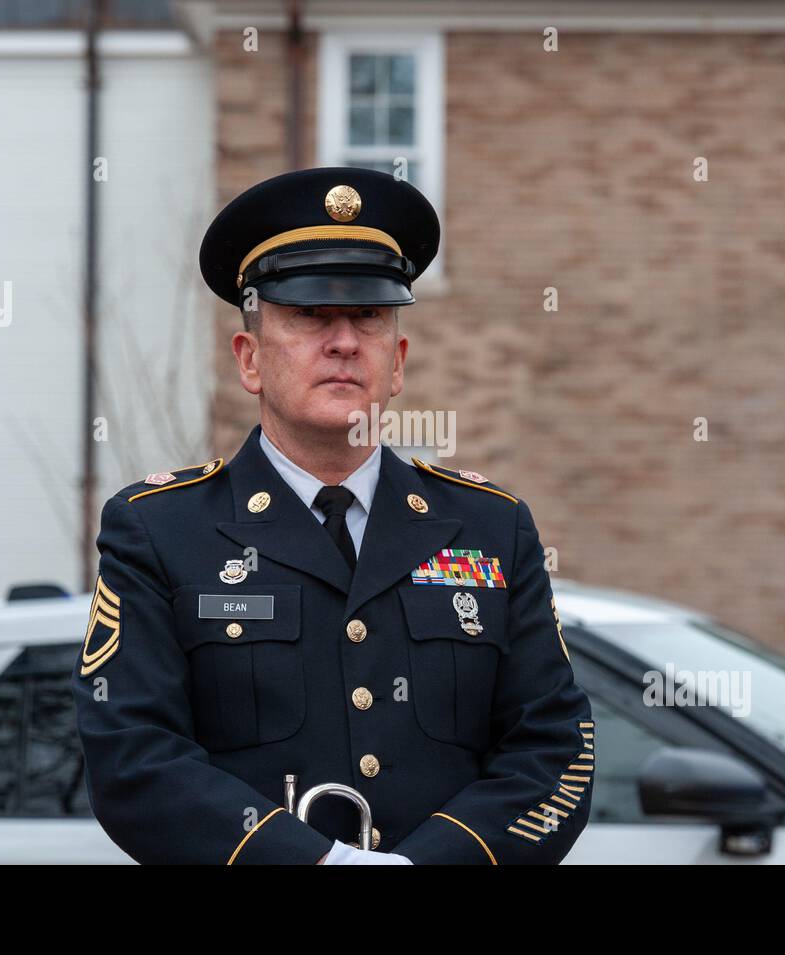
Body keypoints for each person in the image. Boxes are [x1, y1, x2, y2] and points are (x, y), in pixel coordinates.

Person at [71, 167, 594, 864]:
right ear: (250, 358)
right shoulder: (160, 530)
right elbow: (132, 759)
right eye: (311, 316)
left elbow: (556, 749)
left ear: (398, 362)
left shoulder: (491, 528)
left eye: (369, 317)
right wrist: (318, 862)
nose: (345, 341)